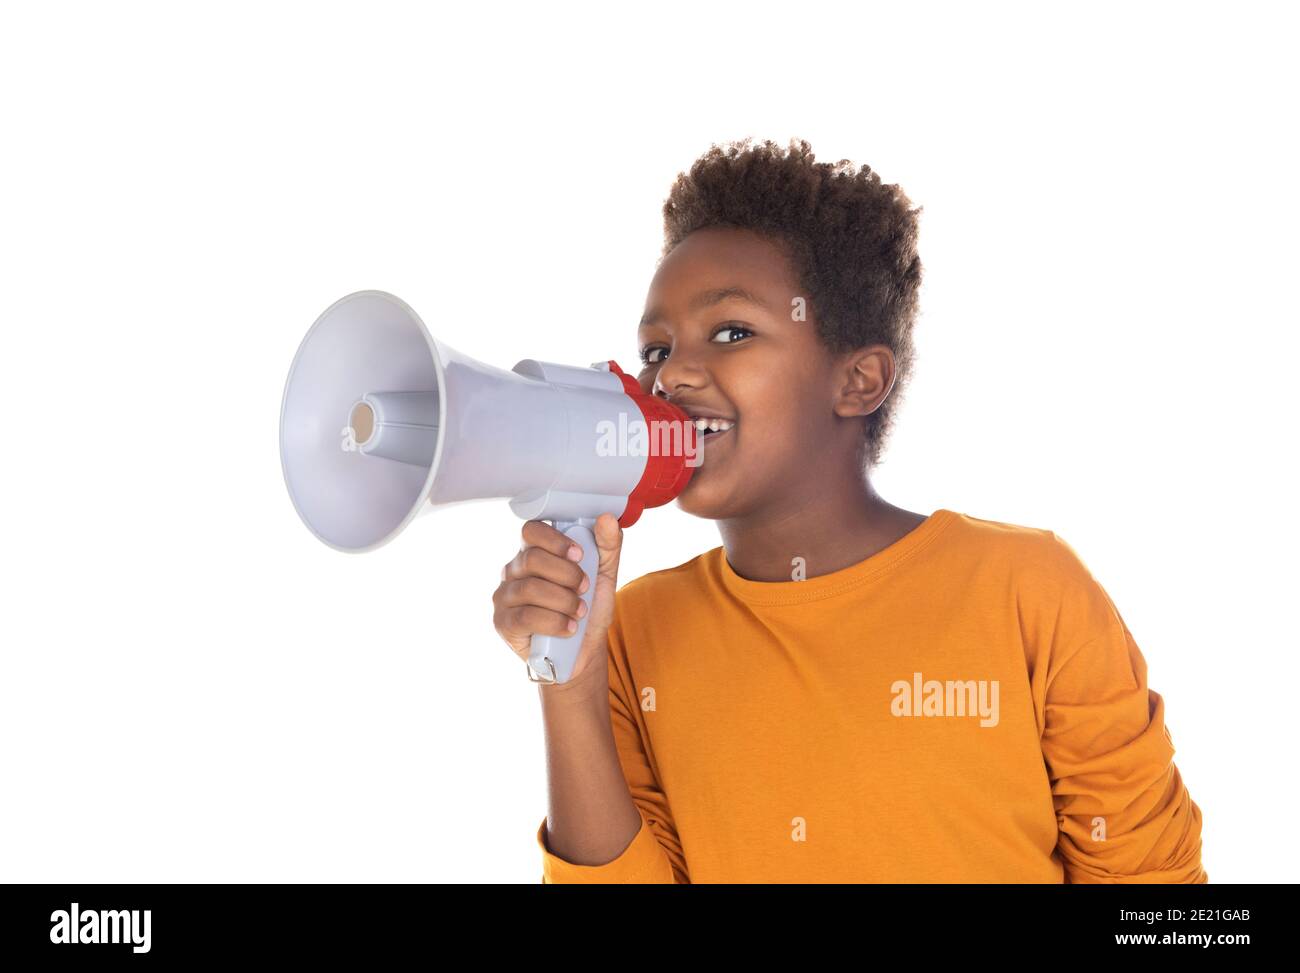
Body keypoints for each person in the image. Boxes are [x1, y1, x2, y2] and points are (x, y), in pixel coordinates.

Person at [492, 137, 1207, 883]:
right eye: (654, 350)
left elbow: (1152, 886)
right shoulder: (629, 631)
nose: (670, 375)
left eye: (731, 332)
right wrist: (570, 685)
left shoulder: (1029, 589)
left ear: (858, 381)